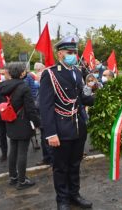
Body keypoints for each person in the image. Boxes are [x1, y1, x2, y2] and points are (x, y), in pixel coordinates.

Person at [39, 36, 94, 210]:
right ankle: (62, 199)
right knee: (60, 167)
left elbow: (81, 99)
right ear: (60, 53)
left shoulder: (77, 72)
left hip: (78, 126)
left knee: (75, 164)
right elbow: (46, 107)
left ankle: (74, 194)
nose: (73, 56)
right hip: (61, 128)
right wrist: (51, 133)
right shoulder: (50, 73)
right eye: (69, 52)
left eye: (75, 53)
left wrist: (94, 94)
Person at [0, 62, 40, 190]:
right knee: (22, 152)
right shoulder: (24, 87)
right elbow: (30, 108)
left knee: (13, 150)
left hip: (10, 121)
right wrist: (37, 123)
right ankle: (22, 181)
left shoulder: (1, 86)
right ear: (21, 73)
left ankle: (13, 177)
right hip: (22, 122)